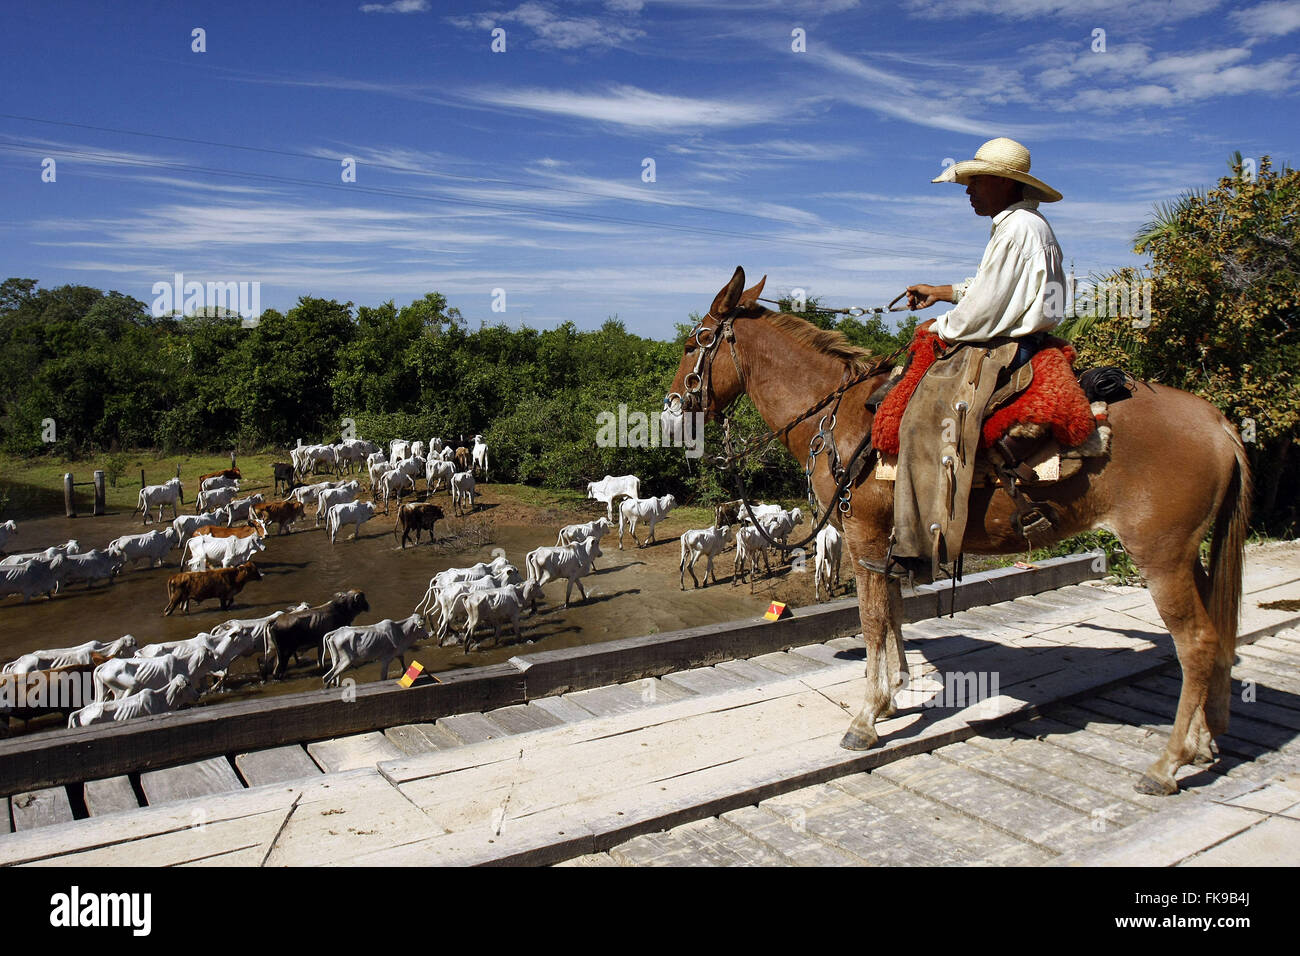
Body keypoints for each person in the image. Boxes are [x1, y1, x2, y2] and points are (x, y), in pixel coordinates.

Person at [886, 137, 1065, 580]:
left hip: (1004, 345)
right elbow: (992, 289)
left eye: (975, 182)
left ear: (1003, 184)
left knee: (919, 416)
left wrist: (936, 327)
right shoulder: (1019, 224)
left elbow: (984, 311)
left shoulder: (1019, 229)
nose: (968, 191)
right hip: (1007, 336)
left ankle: (919, 547)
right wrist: (942, 292)